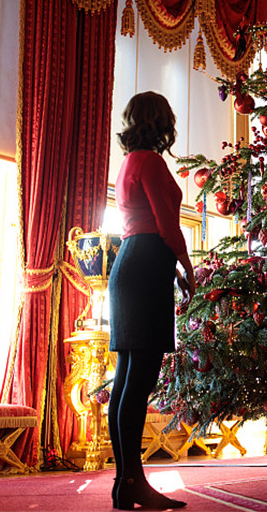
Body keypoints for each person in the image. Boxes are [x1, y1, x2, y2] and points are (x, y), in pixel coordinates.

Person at [108, 92, 195, 510]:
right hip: (145, 268)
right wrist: (188, 266)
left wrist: (172, 269)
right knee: (137, 383)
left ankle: (125, 482)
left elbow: (145, 224)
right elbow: (165, 223)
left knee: (127, 379)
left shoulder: (128, 161)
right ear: (159, 121)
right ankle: (132, 482)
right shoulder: (152, 161)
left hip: (130, 263)